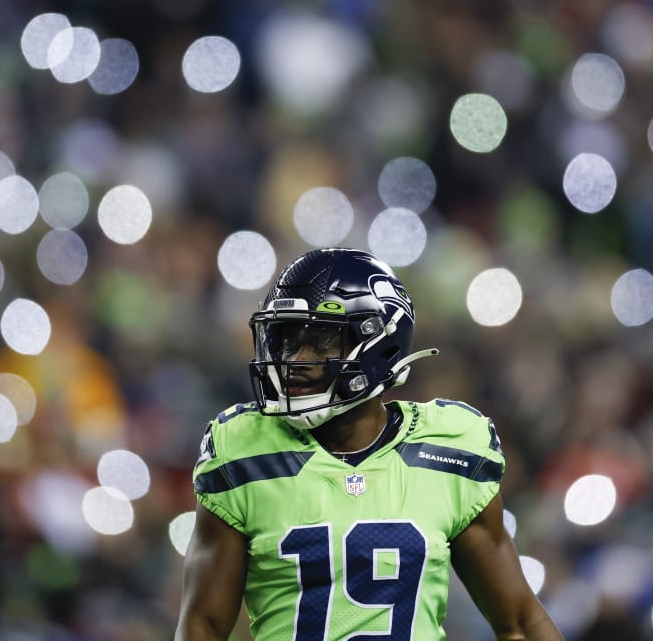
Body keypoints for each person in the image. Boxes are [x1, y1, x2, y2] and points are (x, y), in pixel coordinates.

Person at [176, 248, 565, 641]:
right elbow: (202, 626)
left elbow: (520, 623)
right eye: (288, 341)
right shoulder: (244, 451)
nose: (297, 360)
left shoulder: (449, 450)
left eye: (321, 341)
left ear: (381, 344)